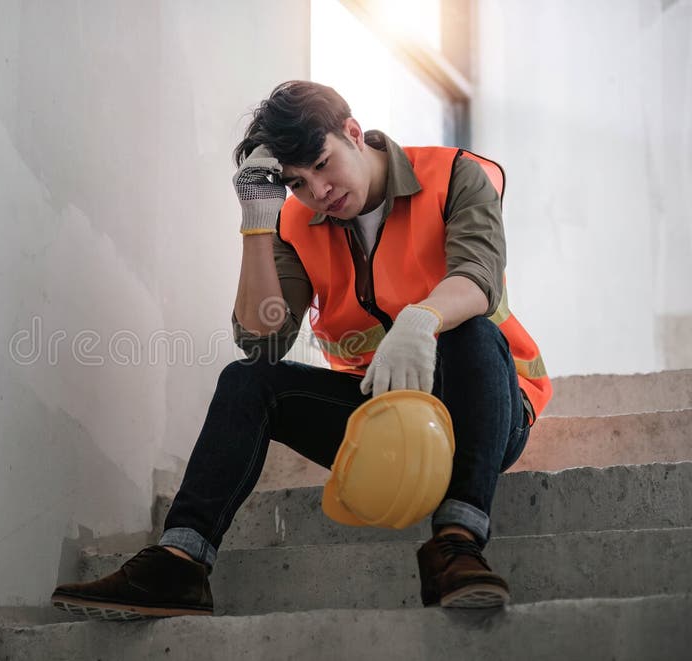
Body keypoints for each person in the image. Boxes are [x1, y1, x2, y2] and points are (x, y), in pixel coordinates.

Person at [51, 80, 552, 620]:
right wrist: (257, 223)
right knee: (247, 380)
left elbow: (478, 278)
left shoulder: (456, 174)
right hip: (384, 421)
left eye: (322, 163)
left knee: (472, 332)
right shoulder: (296, 221)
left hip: (482, 410)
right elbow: (262, 338)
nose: (319, 191)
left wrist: (421, 318)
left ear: (353, 133)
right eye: (297, 183)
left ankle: (456, 545)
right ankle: (179, 563)